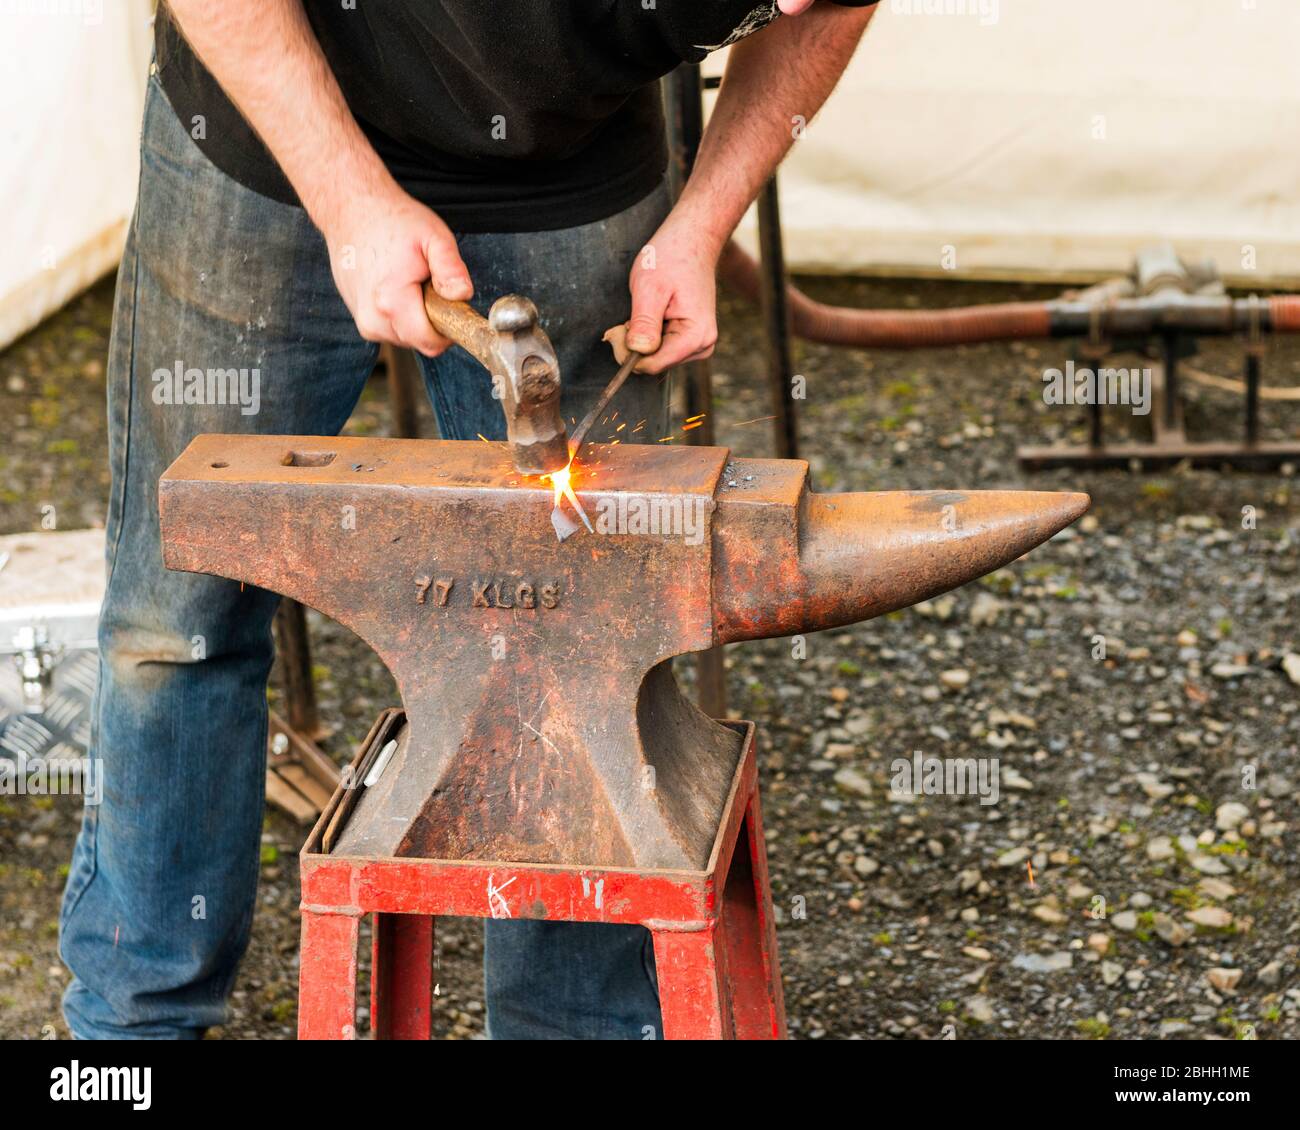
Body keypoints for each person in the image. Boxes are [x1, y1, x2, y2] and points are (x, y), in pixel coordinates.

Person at [59, 0, 875, 1040]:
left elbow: (831, 11)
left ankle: (566, 1024)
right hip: (259, 142)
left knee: (579, 634)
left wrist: (701, 219)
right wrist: (349, 199)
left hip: (570, 181)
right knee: (177, 623)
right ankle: (135, 1029)